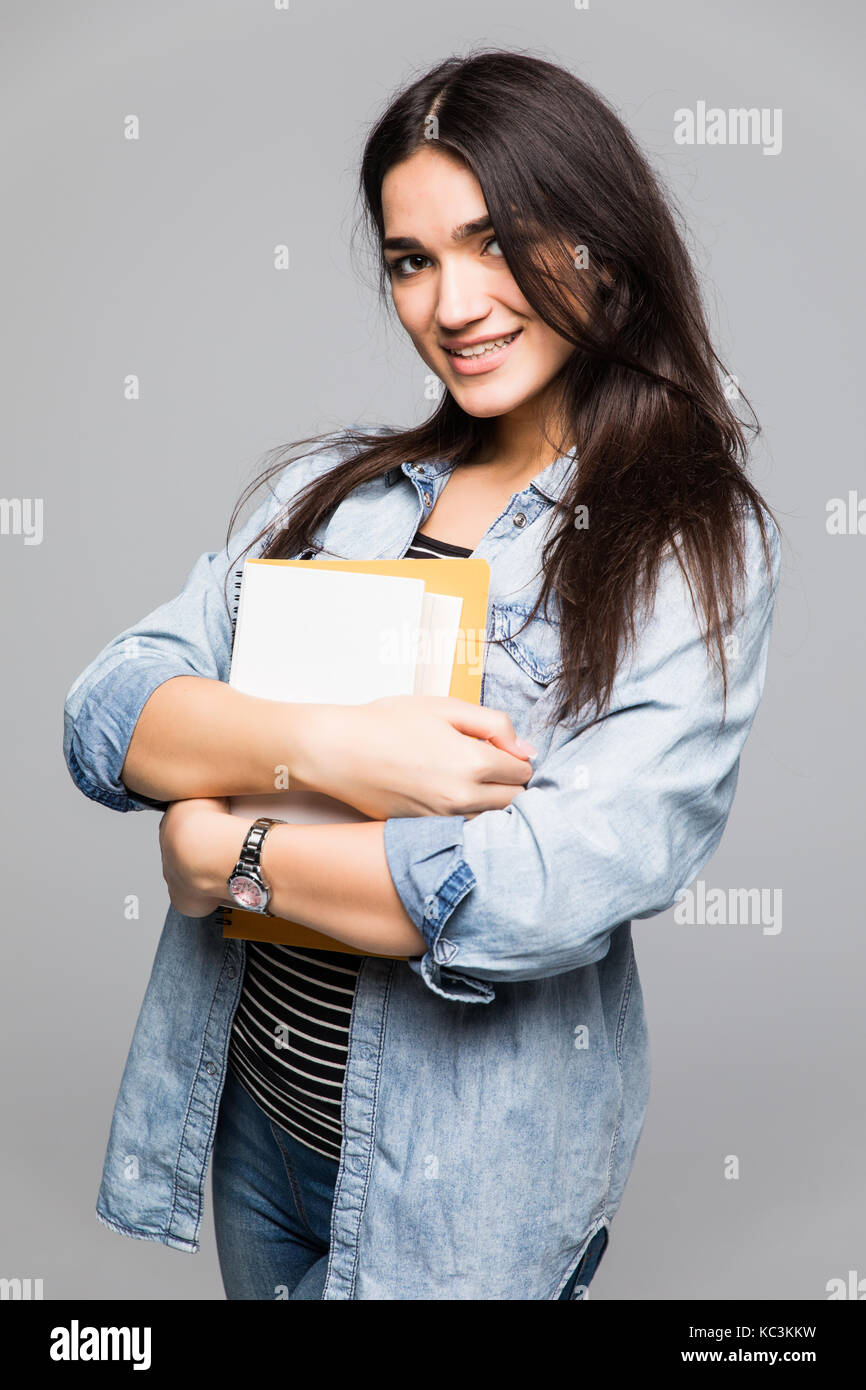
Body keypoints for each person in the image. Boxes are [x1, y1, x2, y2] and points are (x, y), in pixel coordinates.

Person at [62, 49, 782, 1300]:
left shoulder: (688, 537)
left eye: (495, 241)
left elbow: (545, 884)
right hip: (254, 1123)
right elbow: (112, 706)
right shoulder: (331, 491)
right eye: (411, 260)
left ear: (599, 242)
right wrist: (341, 749)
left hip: (459, 1186)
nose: (453, 303)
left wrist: (230, 856)